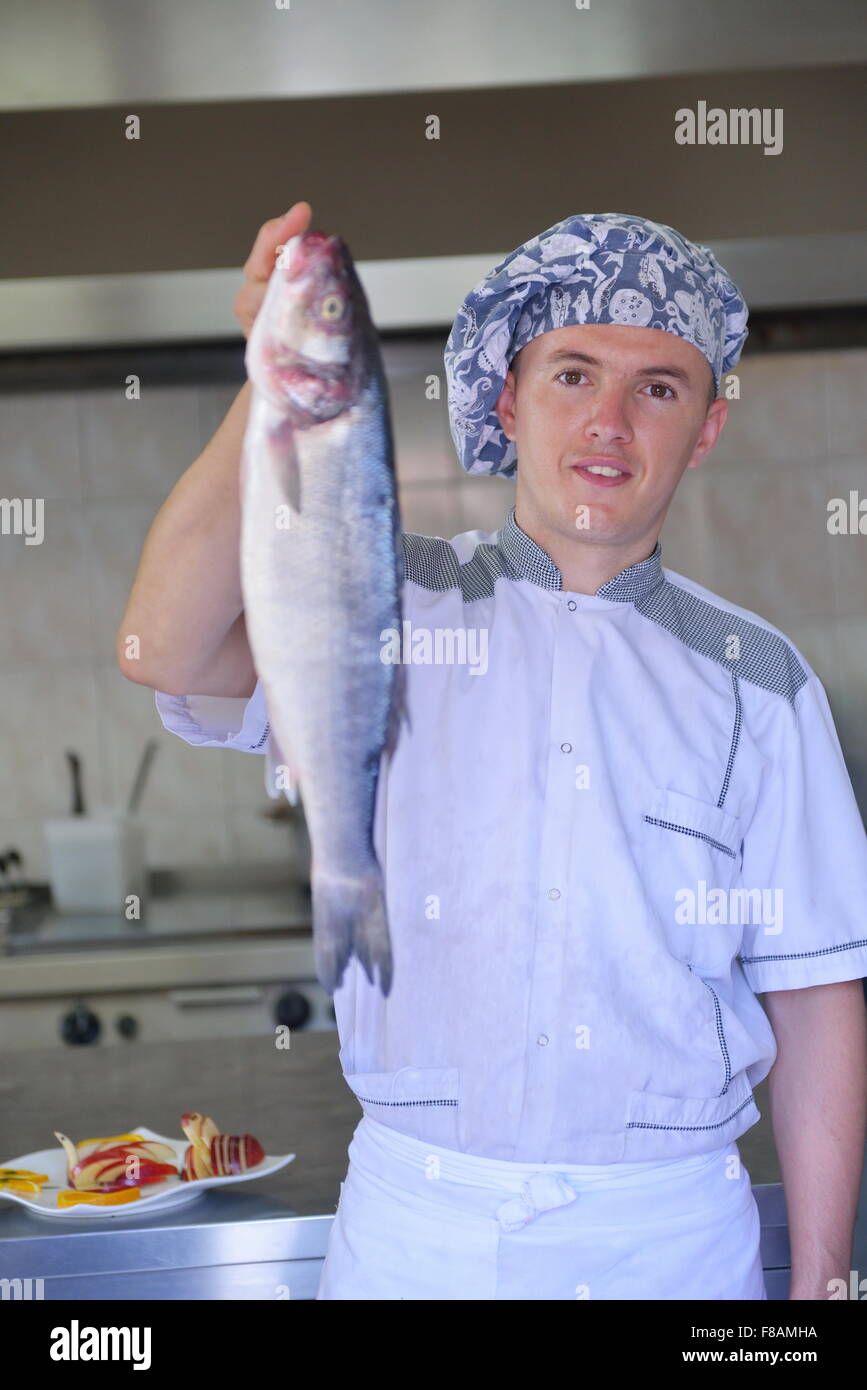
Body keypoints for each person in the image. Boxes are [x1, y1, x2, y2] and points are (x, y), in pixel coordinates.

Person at [118, 204, 867, 1302]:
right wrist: (273, 374)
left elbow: (814, 998)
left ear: (705, 426)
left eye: (657, 387)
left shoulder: (763, 682)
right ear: (509, 400)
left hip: (667, 1246)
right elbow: (164, 647)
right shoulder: (374, 590)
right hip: (416, 1236)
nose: (608, 421)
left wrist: (822, 1286)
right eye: (572, 374)